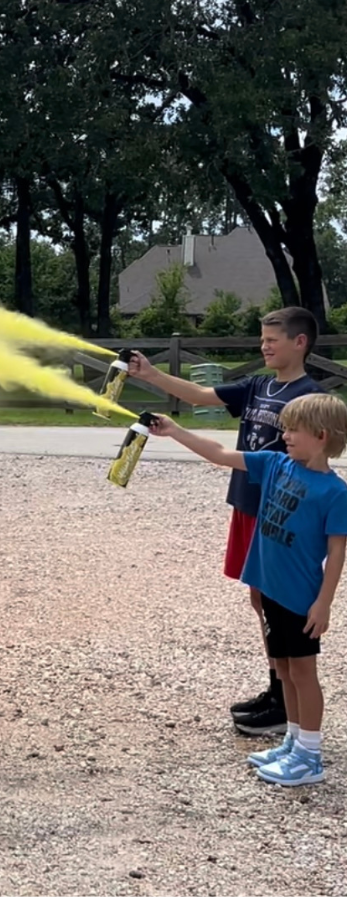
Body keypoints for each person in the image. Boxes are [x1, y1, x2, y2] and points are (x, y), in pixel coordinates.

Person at [129, 307, 323, 735]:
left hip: (279, 514)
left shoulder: (309, 398)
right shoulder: (258, 385)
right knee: (260, 601)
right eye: (262, 339)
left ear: (300, 342)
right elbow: (200, 396)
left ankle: (285, 703)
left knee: (279, 603)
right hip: (246, 505)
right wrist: (150, 375)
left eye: (272, 339)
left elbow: (318, 459)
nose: (264, 346)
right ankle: (278, 690)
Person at [149, 394, 347, 785]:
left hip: (299, 599)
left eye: (292, 429)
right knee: (285, 671)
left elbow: (338, 552)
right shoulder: (275, 464)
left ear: (321, 435)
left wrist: (324, 604)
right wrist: (174, 431)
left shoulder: (335, 493)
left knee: (304, 673)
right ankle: (293, 741)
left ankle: (310, 756)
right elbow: (220, 454)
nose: (284, 435)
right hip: (271, 591)